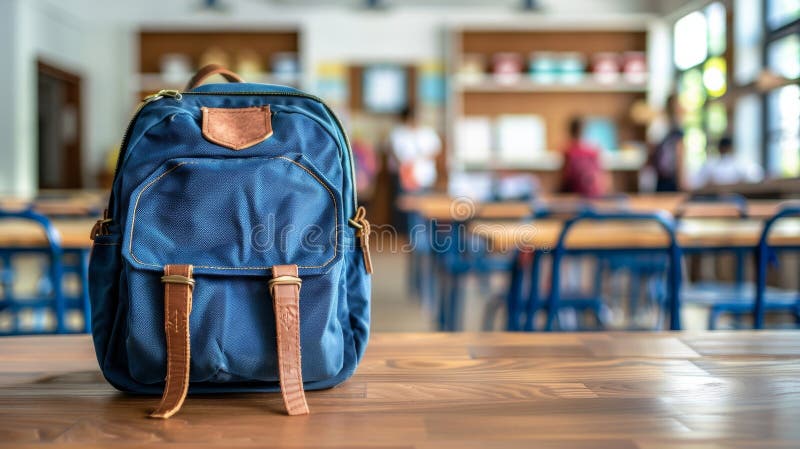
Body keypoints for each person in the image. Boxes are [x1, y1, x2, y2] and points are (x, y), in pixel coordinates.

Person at [388, 107, 441, 193]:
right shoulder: (398, 133)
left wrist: (423, 158)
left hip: (425, 177)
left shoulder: (428, 132)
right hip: (405, 177)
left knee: (425, 199)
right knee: (405, 199)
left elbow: (436, 150)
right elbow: (394, 152)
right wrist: (405, 166)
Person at [561, 117, 607, 198]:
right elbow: (603, 175)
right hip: (594, 194)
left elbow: (565, 176)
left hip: (575, 193)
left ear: (571, 132)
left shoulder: (569, 151)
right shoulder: (594, 150)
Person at [691, 136, 763, 188]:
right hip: (719, 196)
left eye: (725, 148)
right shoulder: (711, 164)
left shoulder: (739, 164)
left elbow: (756, 176)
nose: (724, 150)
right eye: (723, 148)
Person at [650, 94, 685, 192]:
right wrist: (682, 184)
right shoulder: (677, 133)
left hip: (662, 180)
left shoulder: (662, 130)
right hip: (671, 181)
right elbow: (680, 160)